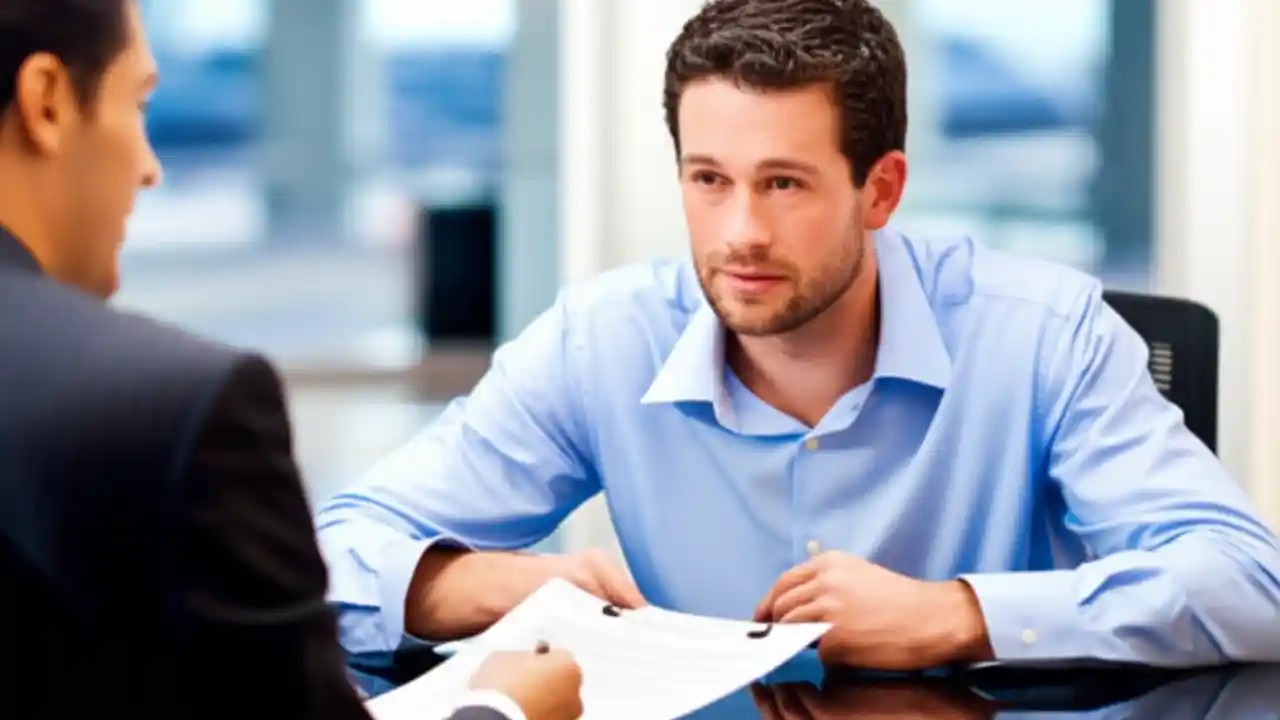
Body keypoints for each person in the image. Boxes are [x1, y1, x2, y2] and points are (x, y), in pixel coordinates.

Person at [316, 0, 1280, 670]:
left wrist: (956, 615)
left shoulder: (1044, 336)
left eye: (783, 183)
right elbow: (327, 554)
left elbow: (1247, 584)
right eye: (709, 180)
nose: (739, 232)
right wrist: (495, 586)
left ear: (881, 190)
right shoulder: (598, 343)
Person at [0, 1, 582, 718]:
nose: (149, 169)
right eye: (138, 103)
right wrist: (505, 709)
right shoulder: (172, 404)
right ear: (47, 101)